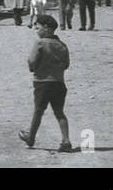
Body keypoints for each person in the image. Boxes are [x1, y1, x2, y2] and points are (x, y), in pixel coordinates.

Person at [19, 14, 74, 152]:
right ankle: (66, 141)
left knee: (38, 111)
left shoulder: (40, 43)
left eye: (38, 27)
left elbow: (32, 61)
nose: (37, 30)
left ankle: (31, 138)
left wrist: (34, 68)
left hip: (42, 83)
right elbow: (66, 64)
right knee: (59, 112)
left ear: (46, 28)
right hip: (59, 83)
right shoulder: (62, 45)